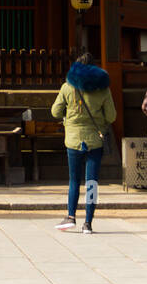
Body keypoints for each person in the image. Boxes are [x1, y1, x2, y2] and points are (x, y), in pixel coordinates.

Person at [50, 51, 116, 234]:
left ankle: (70, 216)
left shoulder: (67, 87)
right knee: (92, 183)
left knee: (74, 180)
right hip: (95, 140)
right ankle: (88, 222)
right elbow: (111, 116)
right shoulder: (103, 89)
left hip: (73, 139)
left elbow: (55, 112)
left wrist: (67, 118)